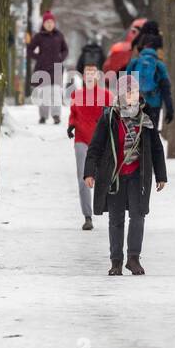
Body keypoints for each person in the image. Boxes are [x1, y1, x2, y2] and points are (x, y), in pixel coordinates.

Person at [83, 75, 168, 276]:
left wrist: (161, 175)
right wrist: (89, 172)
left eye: (135, 91)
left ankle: (133, 258)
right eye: (128, 92)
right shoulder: (110, 117)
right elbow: (95, 147)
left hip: (139, 176)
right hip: (115, 177)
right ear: (120, 94)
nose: (132, 95)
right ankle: (116, 262)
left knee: (138, 216)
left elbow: (156, 149)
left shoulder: (146, 118)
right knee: (116, 219)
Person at [67, 60, 113, 231]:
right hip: (81, 138)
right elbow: (73, 114)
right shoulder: (76, 95)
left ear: (98, 76)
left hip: (101, 142)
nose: (90, 76)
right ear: (83, 76)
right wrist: (71, 125)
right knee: (82, 178)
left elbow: (112, 115)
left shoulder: (107, 95)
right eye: (87, 73)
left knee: (104, 176)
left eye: (93, 73)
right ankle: (87, 216)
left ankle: (107, 211)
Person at [125, 23, 174, 129]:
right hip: (154, 105)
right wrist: (169, 108)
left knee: (136, 135)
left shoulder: (134, 63)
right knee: (152, 136)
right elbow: (166, 88)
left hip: (136, 103)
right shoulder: (159, 65)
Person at [26, 11, 68, 124]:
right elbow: (29, 50)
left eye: (51, 22)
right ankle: (43, 116)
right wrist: (38, 57)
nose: (49, 24)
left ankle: (56, 115)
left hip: (57, 67)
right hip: (43, 67)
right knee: (44, 93)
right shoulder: (39, 36)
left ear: (54, 23)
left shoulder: (59, 35)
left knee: (56, 93)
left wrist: (61, 57)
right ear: (43, 24)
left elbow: (65, 49)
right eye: (47, 22)